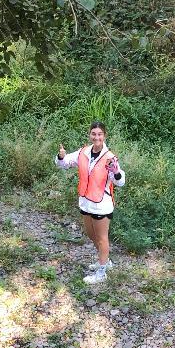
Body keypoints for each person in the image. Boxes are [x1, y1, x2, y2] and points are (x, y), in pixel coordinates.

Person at [55, 121, 125, 285]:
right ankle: (105, 261)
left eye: (100, 134)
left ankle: (101, 273)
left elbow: (120, 181)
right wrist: (61, 156)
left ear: (104, 136)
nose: (96, 137)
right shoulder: (83, 152)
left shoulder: (109, 158)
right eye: (93, 134)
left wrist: (116, 172)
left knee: (101, 238)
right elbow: (64, 164)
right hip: (86, 203)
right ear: (89, 135)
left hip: (102, 205)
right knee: (91, 235)